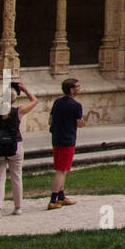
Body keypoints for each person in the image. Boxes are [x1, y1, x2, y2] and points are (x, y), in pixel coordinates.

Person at [0, 81, 38, 219]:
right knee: (16, 176)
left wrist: (5, 92)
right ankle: (18, 207)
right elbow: (34, 101)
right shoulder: (18, 111)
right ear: (15, 99)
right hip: (15, 146)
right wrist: (24, 89)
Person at [48, 77, 85, 210]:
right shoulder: (76, 106)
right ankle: (53, 199)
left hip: (56, 138)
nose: (80, 88)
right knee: (61, 171)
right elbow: (80, 124)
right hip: (68, 140)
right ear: (71, 90)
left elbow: (50, 120)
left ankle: (61, 196)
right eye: (78, 86)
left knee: (61, 168)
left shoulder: (57, 102)